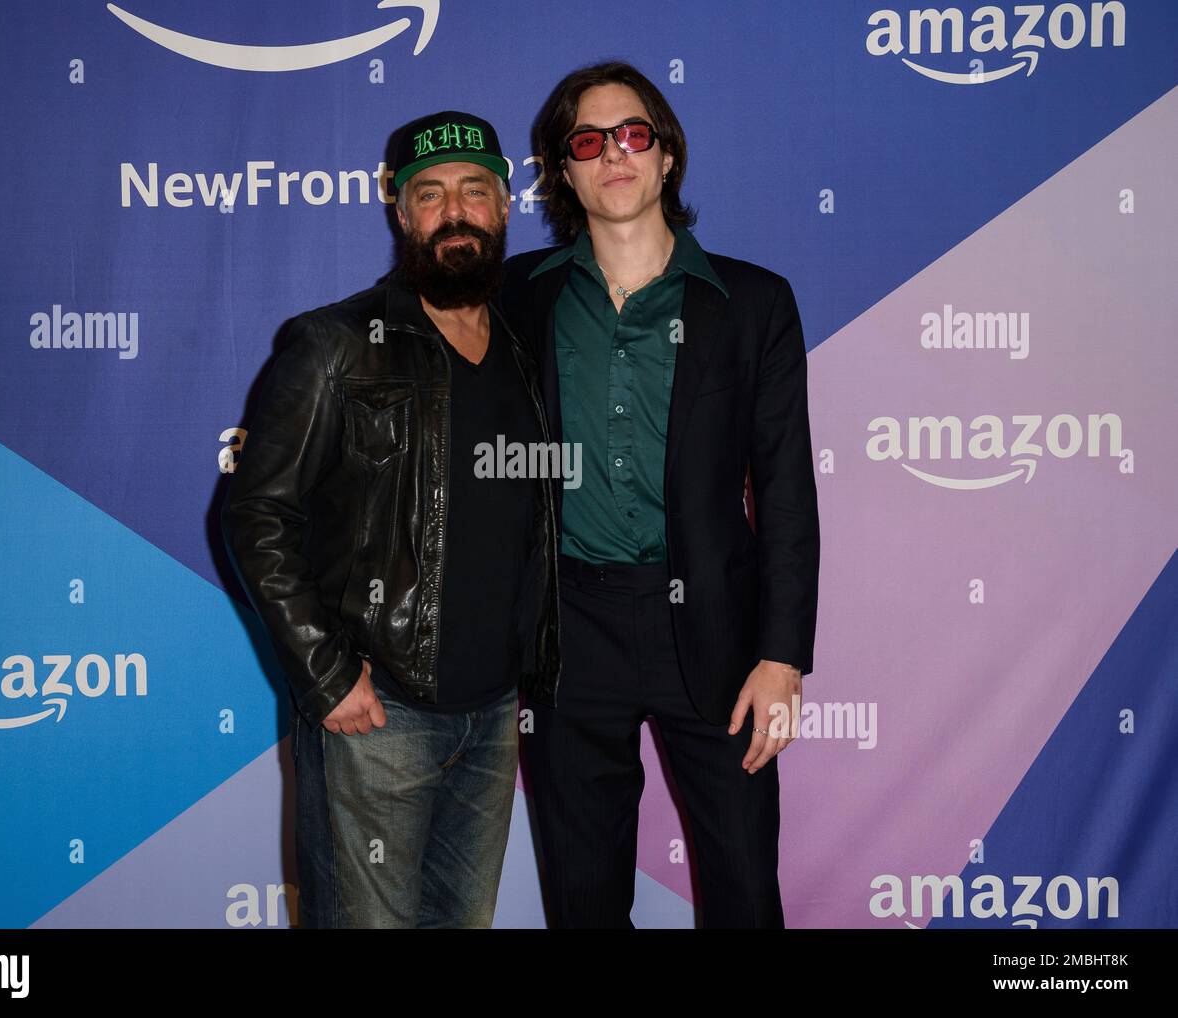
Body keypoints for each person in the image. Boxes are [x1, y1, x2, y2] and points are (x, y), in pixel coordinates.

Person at [221, 110, 560, 928]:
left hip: (492, 717)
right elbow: (255, 514)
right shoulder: (335, 344)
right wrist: (327, 674)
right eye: (430, 194)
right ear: (399, 212)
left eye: (475, 191)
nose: (454, 212)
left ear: (504, 205)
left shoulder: (530, 349)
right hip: (378, 717)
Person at [499, 62, 820, 928]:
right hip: (569, 635)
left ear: (667, 154)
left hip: (715, 637)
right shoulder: (516, 298)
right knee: (584, 903)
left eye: (635, 134)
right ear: (562, 171)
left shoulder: (753, 303)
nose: (615, 155)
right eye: (588, 141)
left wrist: (782, 657)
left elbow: (786, 490)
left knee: (747, 896)